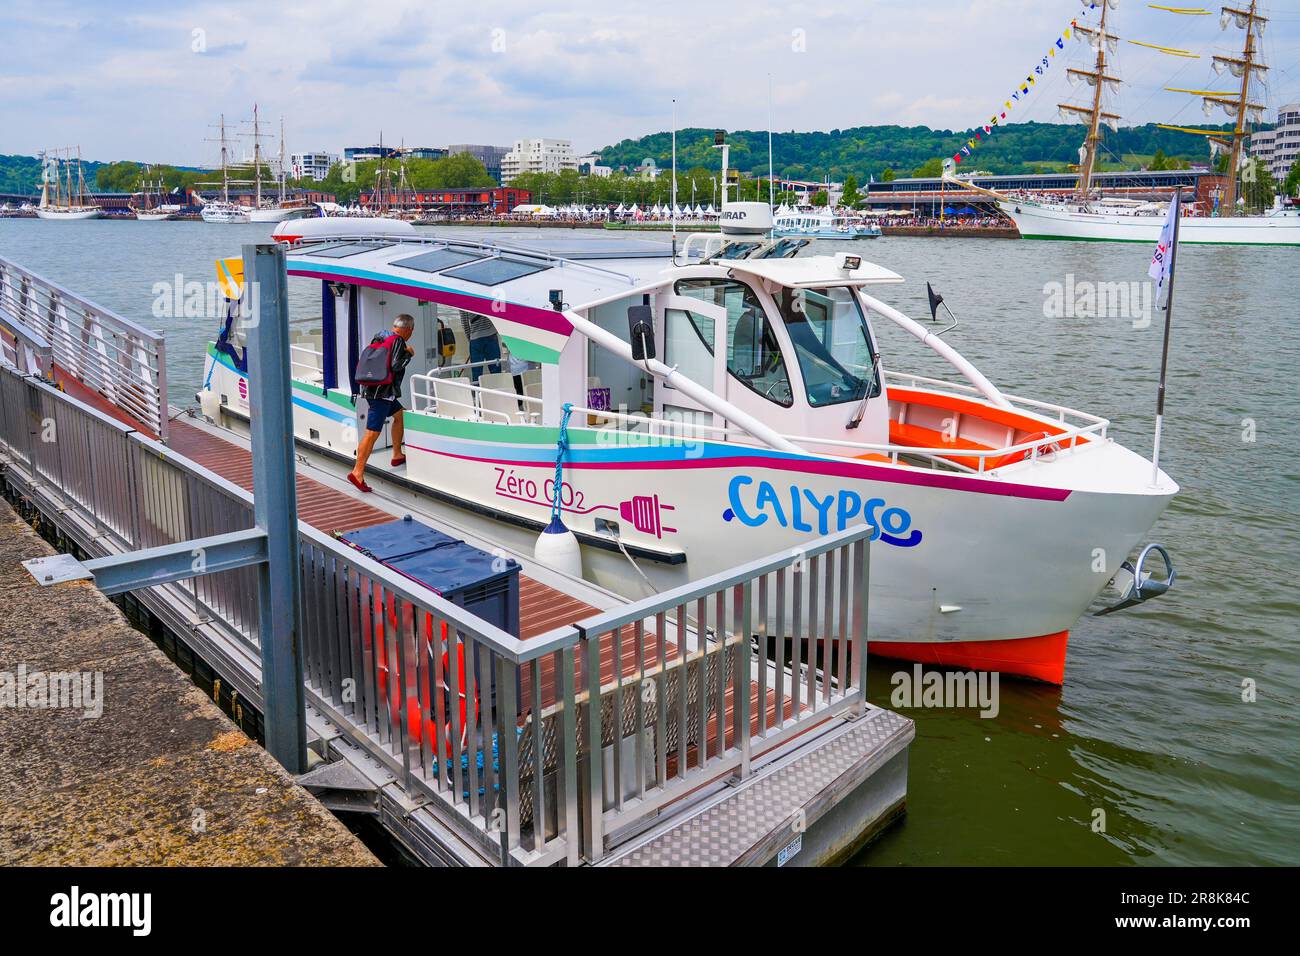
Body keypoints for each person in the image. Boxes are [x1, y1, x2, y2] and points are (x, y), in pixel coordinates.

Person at [348, 314, 414, 493]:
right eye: (411, 331)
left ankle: (396, 454)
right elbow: (396, 365)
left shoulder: (381, 337)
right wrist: (408, 355)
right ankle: (357, 472)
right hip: (382, 395)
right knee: (371, 434)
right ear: (408, 329)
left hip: (374, 390)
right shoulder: (399, 341)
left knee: (400, 415)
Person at [461, 310, 500, 382]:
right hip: (491, 334)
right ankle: (499, 390)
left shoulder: (462, 301)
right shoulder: (485, 298)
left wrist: (471, 339)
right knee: (496, 369)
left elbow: (465, 323)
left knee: (476, 372)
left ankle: (477, 392)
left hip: (475, 339)